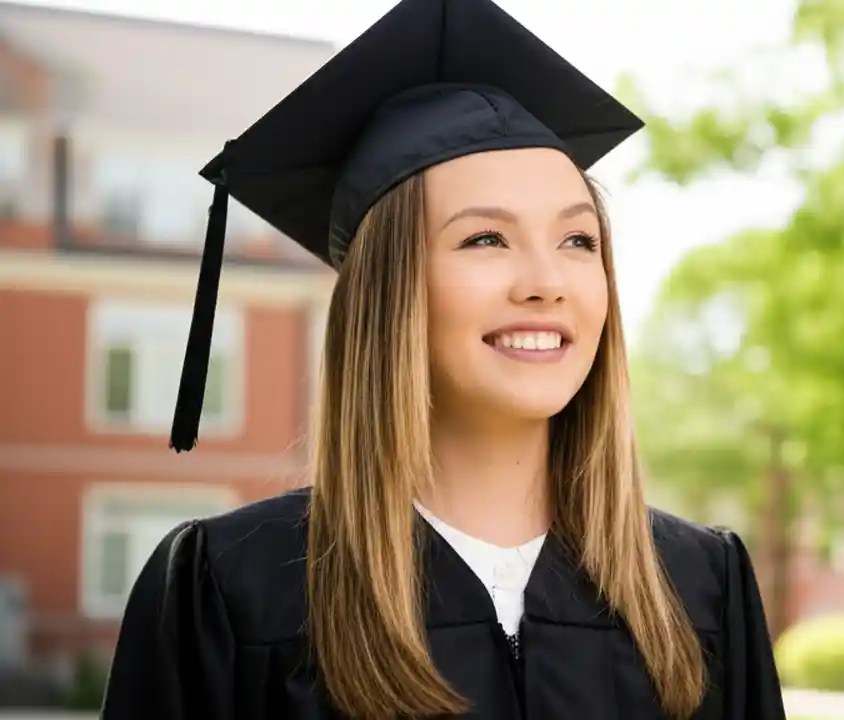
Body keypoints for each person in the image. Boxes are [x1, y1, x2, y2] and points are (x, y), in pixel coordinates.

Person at [98, 0, 785, 718]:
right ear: (386, 293)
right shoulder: (235, 592)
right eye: (485, 239)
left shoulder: (698, 586)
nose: (546, 281)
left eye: (578, 241)